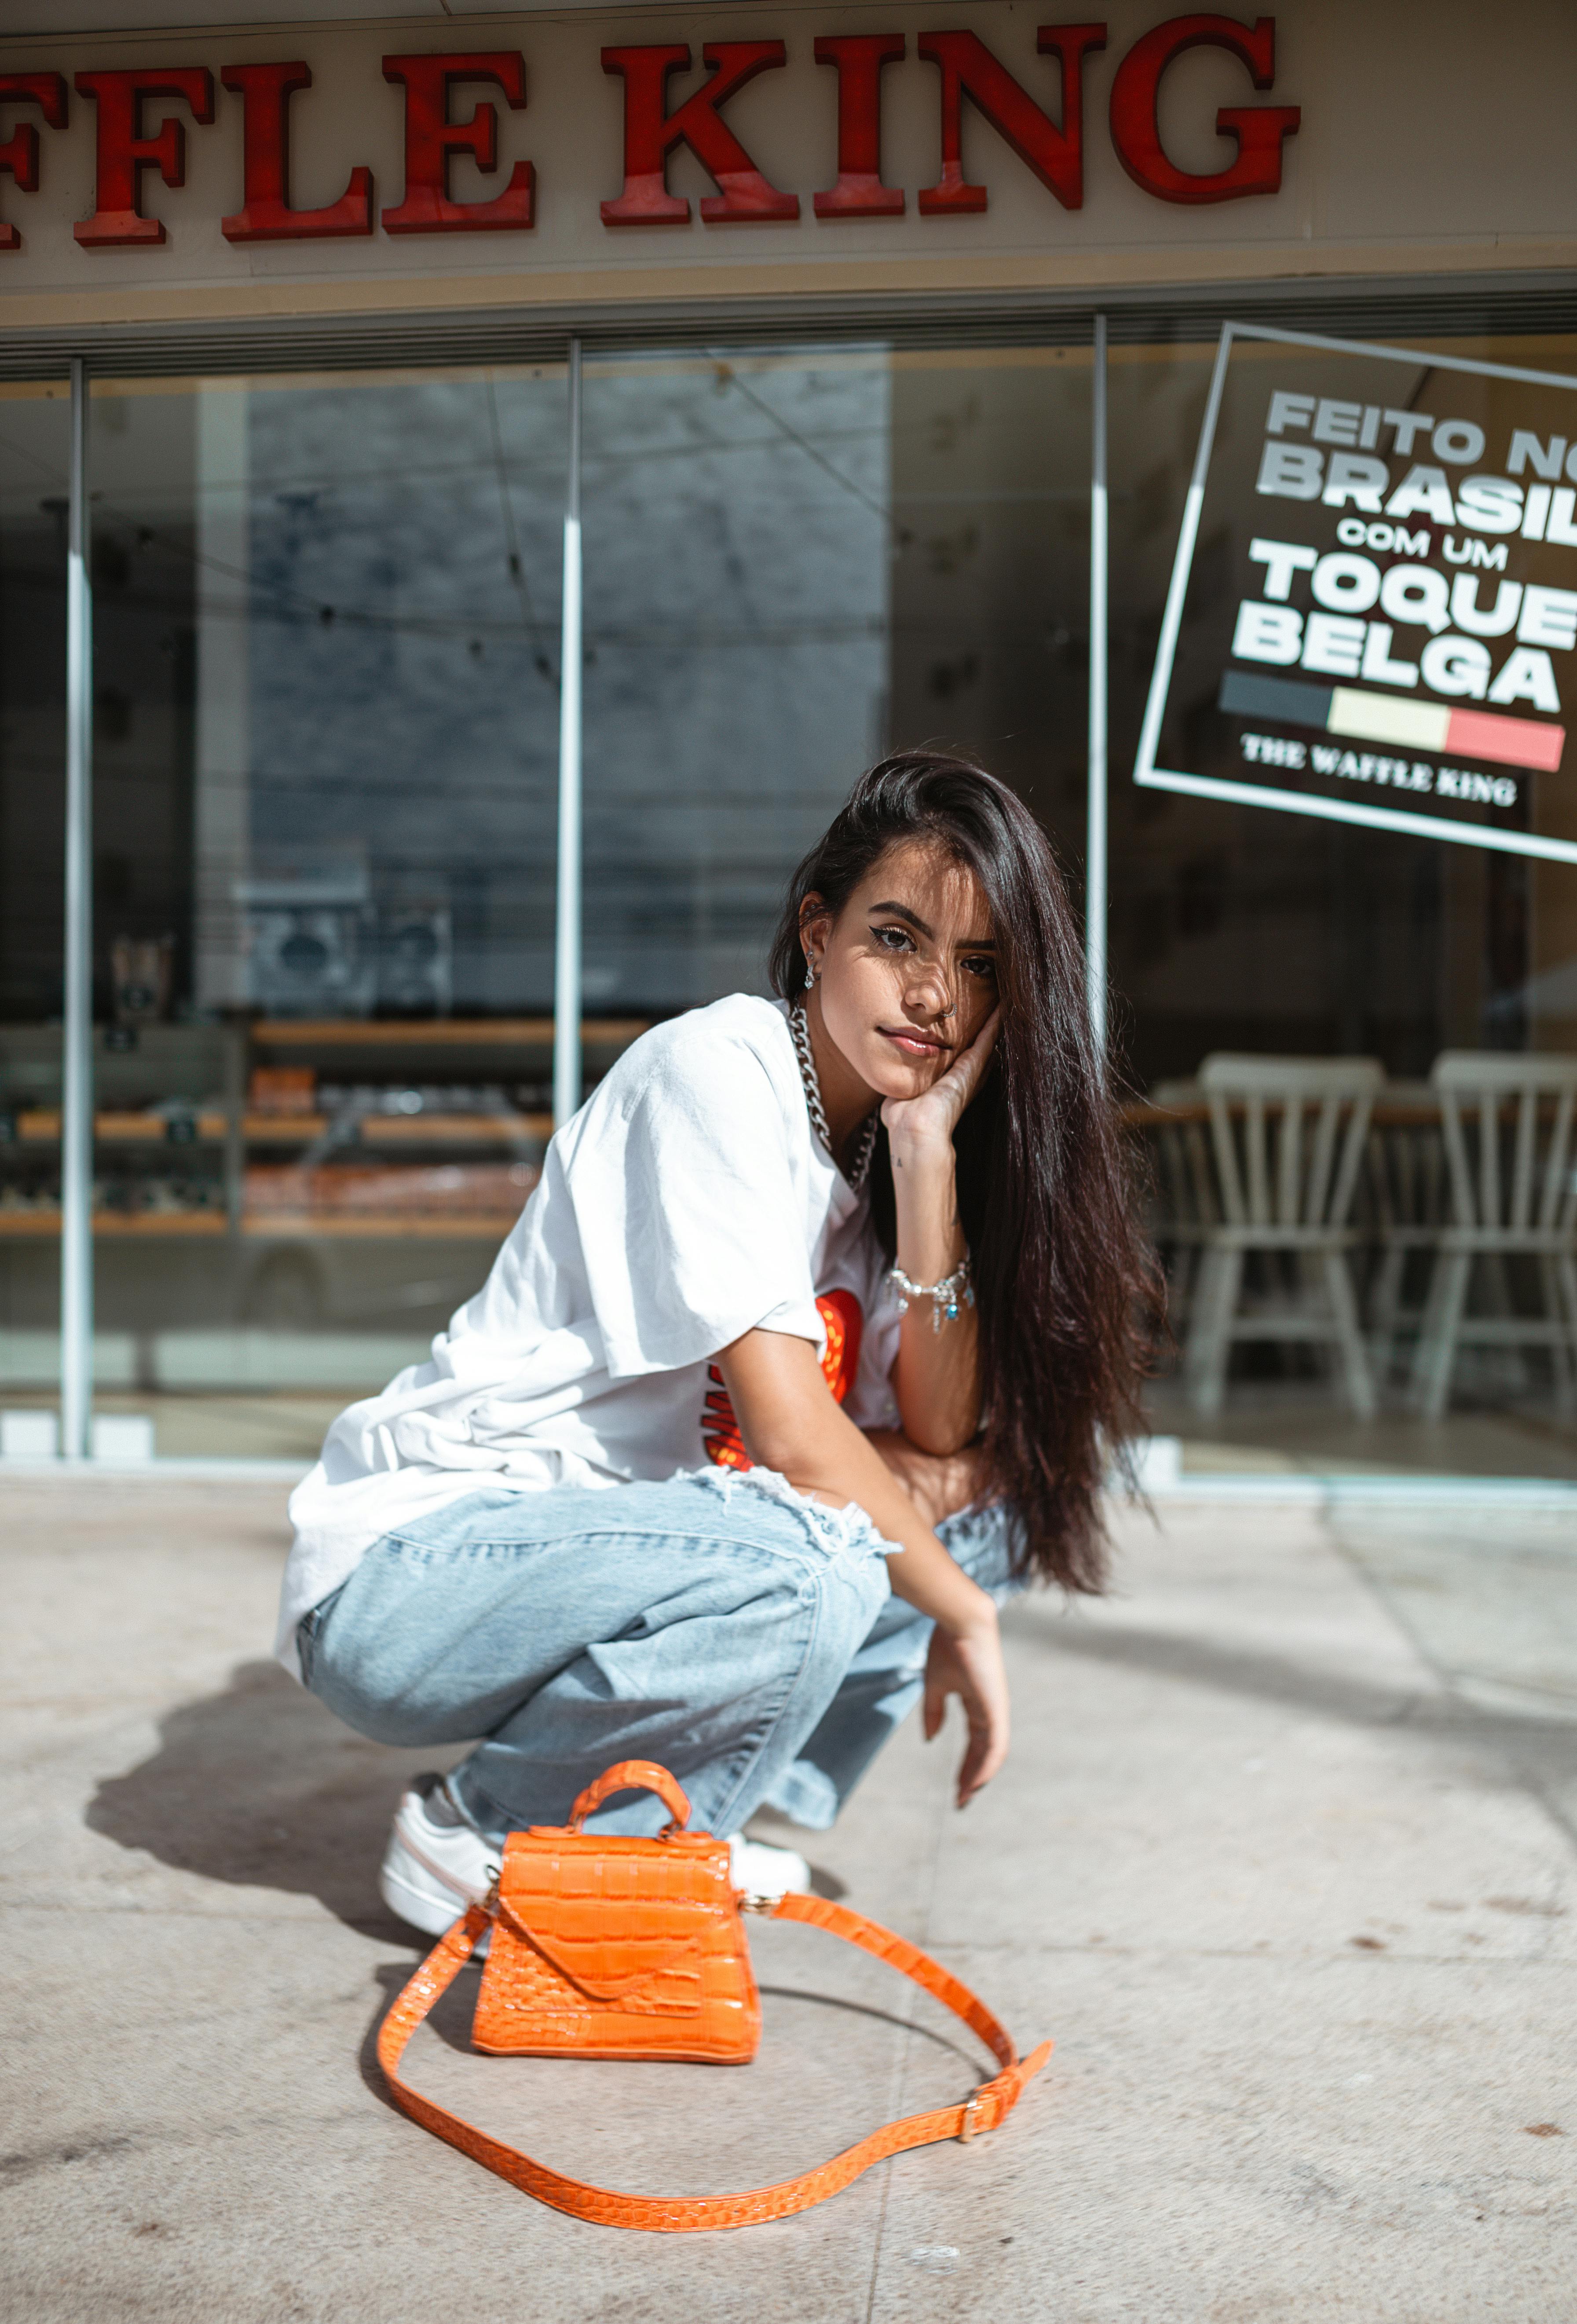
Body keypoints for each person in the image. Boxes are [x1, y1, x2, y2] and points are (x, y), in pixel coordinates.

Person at [275, 753, 1150, 1934]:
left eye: (979, 966)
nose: (935, 994)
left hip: (622, 1565)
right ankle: (486, 1829)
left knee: (989, 1506)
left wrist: (926, 1161)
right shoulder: (717, 1071)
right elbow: (793, 1437)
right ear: (819, 934)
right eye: (897, 939)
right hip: (416, 1580)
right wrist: (960, 1613)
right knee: (825, 1554)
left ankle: (680, 1817)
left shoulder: (877, 1153)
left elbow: (943, 1431)